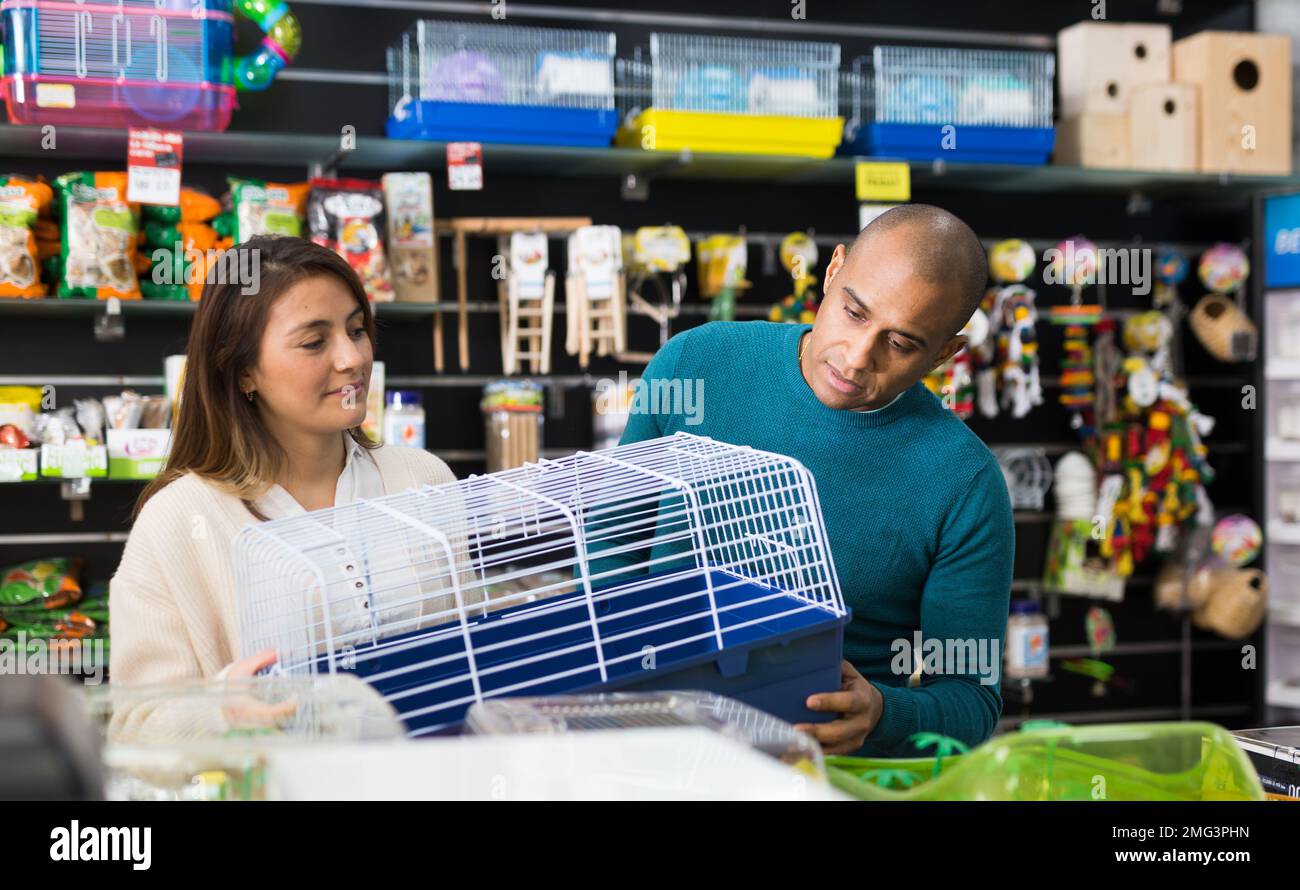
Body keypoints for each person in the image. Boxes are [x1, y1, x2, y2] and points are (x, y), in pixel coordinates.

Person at [619, 204, 1015, 756]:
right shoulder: (696, 364)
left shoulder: (964, 482)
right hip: (655, 749)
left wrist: (882, 712)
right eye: (854, 313)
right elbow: (609, 550)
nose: (856, 359)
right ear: (833, 272)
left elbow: (971, 699)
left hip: (824, 775)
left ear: (945, 353)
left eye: (900, 345)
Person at [110, 235, 460, 686]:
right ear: (243, 373)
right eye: (314, 342)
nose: (352, 358)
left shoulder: (424, 478)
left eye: (356, 330)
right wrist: (224, 712)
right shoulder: (177, 523)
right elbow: (138, 724)